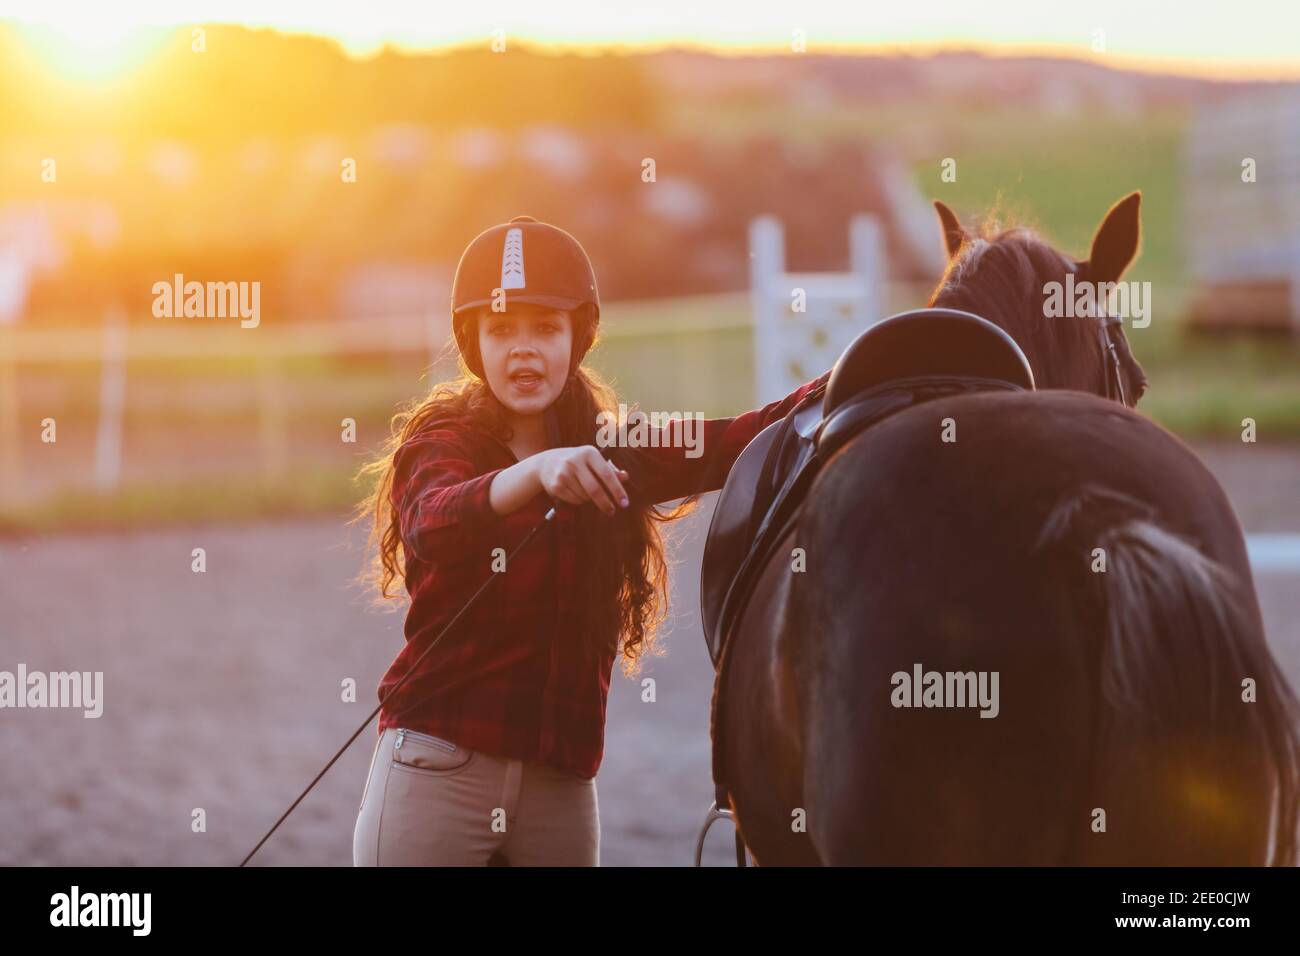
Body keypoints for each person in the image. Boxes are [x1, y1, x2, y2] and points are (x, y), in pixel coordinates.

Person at [351, 215, 829, 865]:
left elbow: (740, 437)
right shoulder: (440, 441)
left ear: (577, 337)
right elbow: (433, 521)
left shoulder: (615, 447)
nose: (524, 350)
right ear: (473, 343)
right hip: (437, 770)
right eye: (501, 330)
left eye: (546, 328)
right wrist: (536, 472)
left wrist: (866, 367)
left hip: (561, 785)